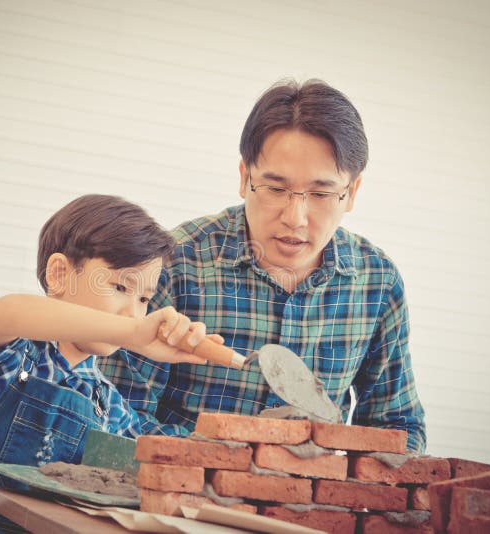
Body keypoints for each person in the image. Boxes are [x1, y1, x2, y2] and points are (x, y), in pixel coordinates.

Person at [100, 78, 426, 453]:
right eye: (275, 188)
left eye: (320, 194)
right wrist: (229, 459)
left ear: (351, 193)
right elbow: (115, 417)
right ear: (244, 178)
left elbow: (397, 430)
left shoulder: (377, 283)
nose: (295, 218)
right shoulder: (174, 264)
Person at [0, 194, 215, 534]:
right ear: (59, 274)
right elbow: (8, 311)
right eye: (120, 286)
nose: (134, 312)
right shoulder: (7, 351)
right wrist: (134, 332)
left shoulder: (106, 403)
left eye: (144, 300)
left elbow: (161, 446)